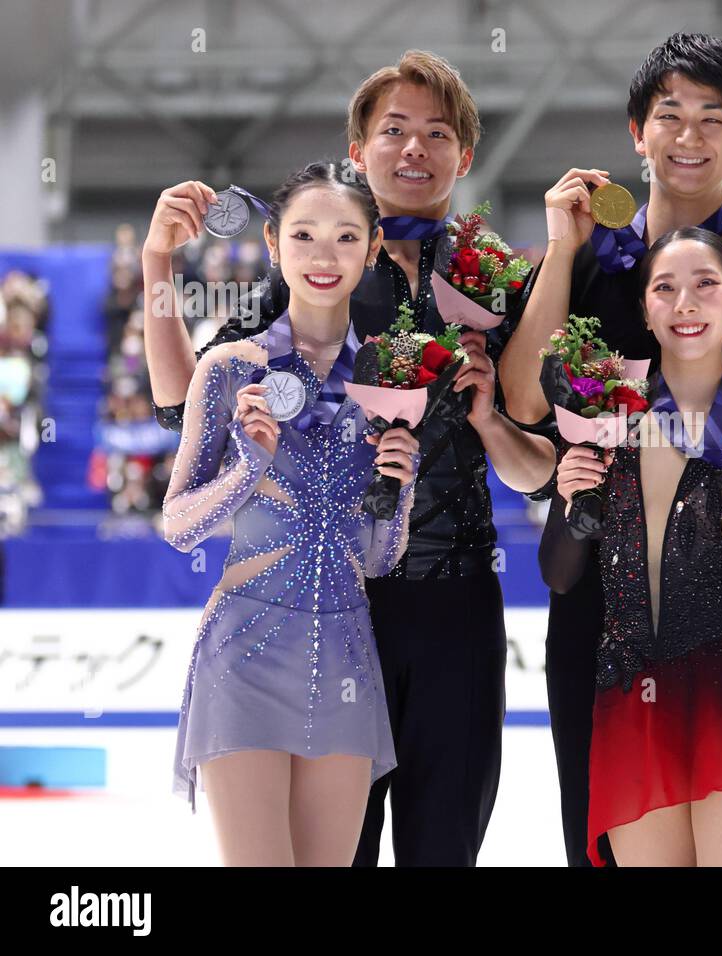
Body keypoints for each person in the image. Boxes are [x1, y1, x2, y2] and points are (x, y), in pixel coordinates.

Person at [142, 51, 556, 866]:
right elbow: (180, 401)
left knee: (446, 845)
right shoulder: (317, 267)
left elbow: (537, 457)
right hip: (337, 607)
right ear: (360, 149)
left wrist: (491, 408)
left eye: (437, 134)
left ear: (464, 158)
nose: (414, 149)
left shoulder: (495, 282)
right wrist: (160, 270)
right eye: (392, 130)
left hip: (456, 599)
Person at [498, 31, 722, 867]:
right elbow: (521, 398)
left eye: (713, 118)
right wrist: (563, 248)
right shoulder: (582, 262)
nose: (689, 137)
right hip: (597, 611)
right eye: (670, 116)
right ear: (635, 132)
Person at [159, 162, 418, 865]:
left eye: (343, 238)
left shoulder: (390, 380)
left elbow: (374, 558)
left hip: (344, 652)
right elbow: (178, 524)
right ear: (273, 243)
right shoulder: (229, 368)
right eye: (304, 235)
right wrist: (247, 469)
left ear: (372, 249)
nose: (322, 255)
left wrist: (401, 484)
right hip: (243, 650)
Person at [540, 228, 722, 866]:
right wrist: (568, 499)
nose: (686, 303)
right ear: (644, 309)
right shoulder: (604, 423)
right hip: (630, 692)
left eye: (705, 285)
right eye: (665, 288)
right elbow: (558, 575)